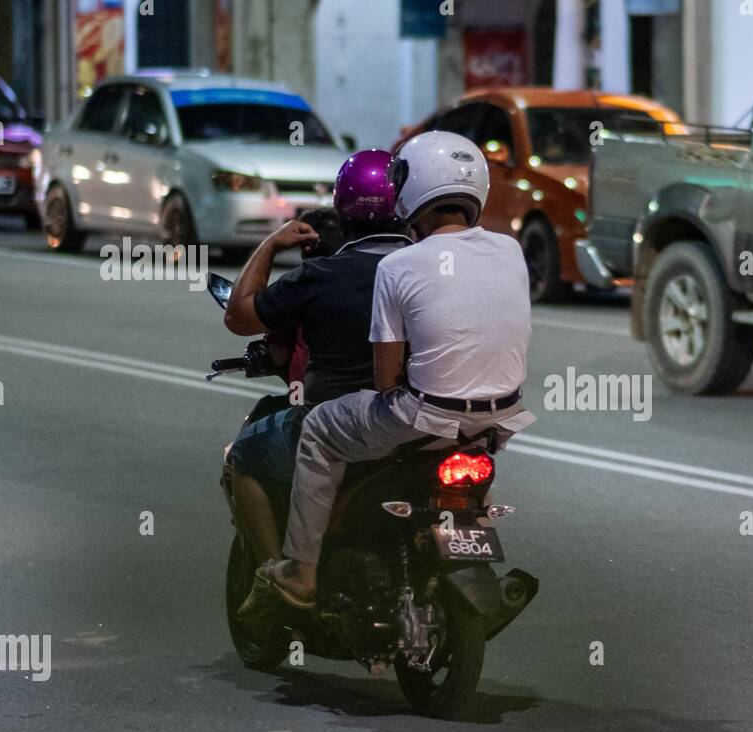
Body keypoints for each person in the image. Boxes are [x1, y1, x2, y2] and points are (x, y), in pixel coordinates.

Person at [240, 131, 535, 614]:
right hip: (500, 420)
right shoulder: (510, 252)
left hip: (423, 415)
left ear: (412, 187)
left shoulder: (400, 266)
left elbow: (385, 378)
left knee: (316, 429)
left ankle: (301, 570)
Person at [223, 150, 409, 566]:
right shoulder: (430, 268)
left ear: (343, 210)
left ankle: (278, 575)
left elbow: (239, 316)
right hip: (427, 424)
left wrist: (271, 243)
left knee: (245, 453)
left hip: (347, 425)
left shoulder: (320, 275)